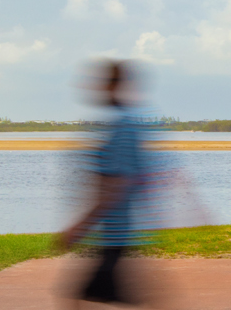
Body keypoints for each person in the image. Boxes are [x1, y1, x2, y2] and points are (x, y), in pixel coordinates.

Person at [56, 60, 160, 307]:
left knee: (82, 300)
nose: (96, 89)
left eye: (102, 83)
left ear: (114, 85)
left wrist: (79, 226)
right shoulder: (128, 122)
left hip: (115, 234)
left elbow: (117, 185)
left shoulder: (123, 126)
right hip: (115, 235)